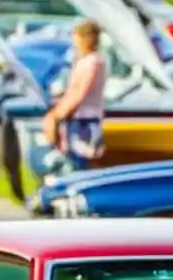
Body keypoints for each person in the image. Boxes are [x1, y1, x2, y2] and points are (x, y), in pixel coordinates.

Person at [42, 20, 105, 174]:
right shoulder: (84, 61)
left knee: (79, 160)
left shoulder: (93, 62)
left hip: (85, 119)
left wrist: (58, 114)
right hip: (76, 118)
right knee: (70, 157)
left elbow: (79, 92)